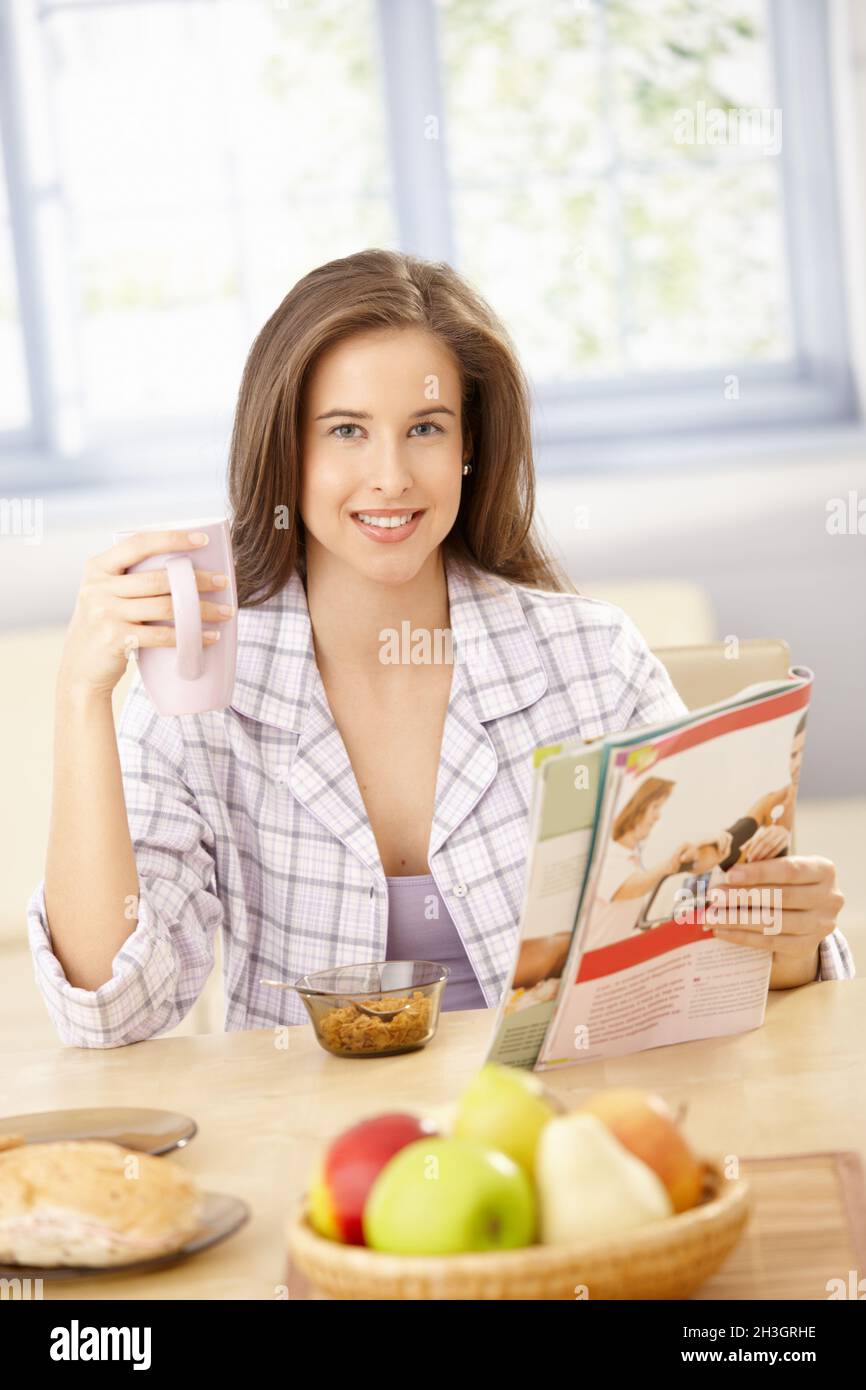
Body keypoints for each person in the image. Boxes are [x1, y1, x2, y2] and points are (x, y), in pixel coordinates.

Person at [27, 250, 852, 1048]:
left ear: (468, 447)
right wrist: (80, 697)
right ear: (288, 449)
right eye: (346, 430)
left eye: (424, 427)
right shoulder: (203, 687)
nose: (390, 477)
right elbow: (108, 1010)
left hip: (553, 1138)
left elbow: (703, 963)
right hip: (307, 1161)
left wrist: (786, 946)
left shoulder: (593, 661)